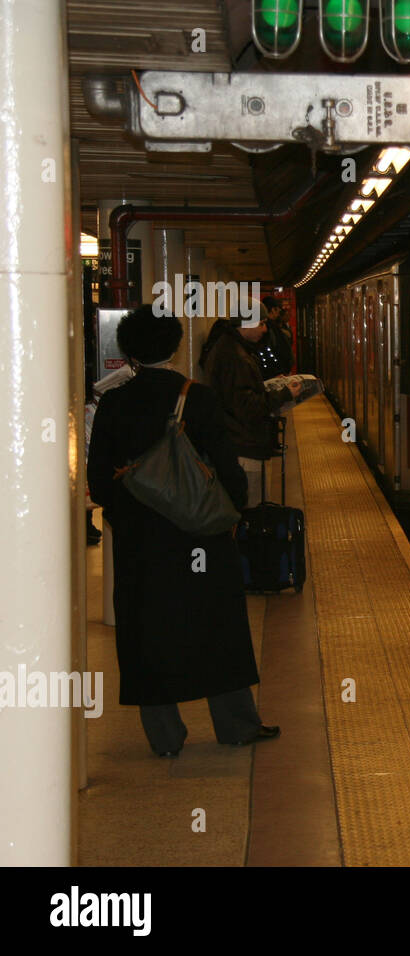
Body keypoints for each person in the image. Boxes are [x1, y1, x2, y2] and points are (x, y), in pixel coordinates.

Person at [87, 304, 280, 757]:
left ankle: (166, 738)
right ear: (175, 347)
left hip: (141, 543)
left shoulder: (114, 403)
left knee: (145, 631)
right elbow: (228, 470)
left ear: (131, 352)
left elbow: (99, 480)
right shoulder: (198, 398)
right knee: (218, 626)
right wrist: (231, 514)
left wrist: (125, 517)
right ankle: (236, 726)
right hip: (201, 537)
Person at [199, 303, 302, 504]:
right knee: (253, 509)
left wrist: (269, 385)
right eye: (262, 323)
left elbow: (240, 393)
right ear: (246, 324)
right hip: (243, 447)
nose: (265, 329)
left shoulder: (232, 348)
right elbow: (247, 406)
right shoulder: (234, 356)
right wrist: (284, 394)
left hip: (240, 442)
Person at [254, 296, 294, 379]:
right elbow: (272, 350)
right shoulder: (271, 328)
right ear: (273, 309)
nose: (279, 311)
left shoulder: (273, 327)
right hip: (275, 373)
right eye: (277, 309)